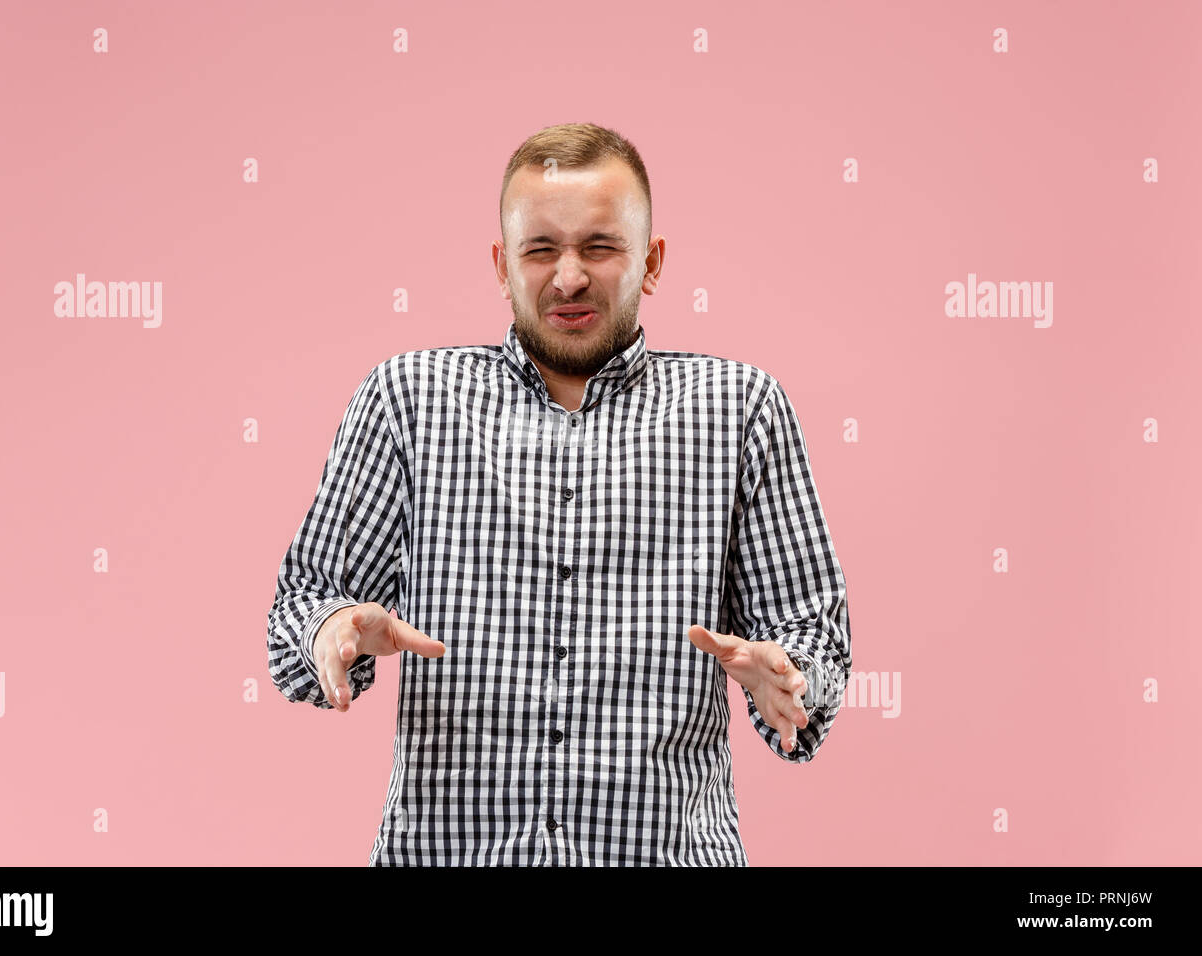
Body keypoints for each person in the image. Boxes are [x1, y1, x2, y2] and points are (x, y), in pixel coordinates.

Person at [266, 122, 852, 866]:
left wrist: (791, 676)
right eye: (541, 249)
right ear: (501, 263)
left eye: (600, 247)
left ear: (653, 260)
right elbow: (303, 603)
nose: (568, 277)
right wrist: (331, 630)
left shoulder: (740, 410)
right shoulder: (408, 400)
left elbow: (812, 643)